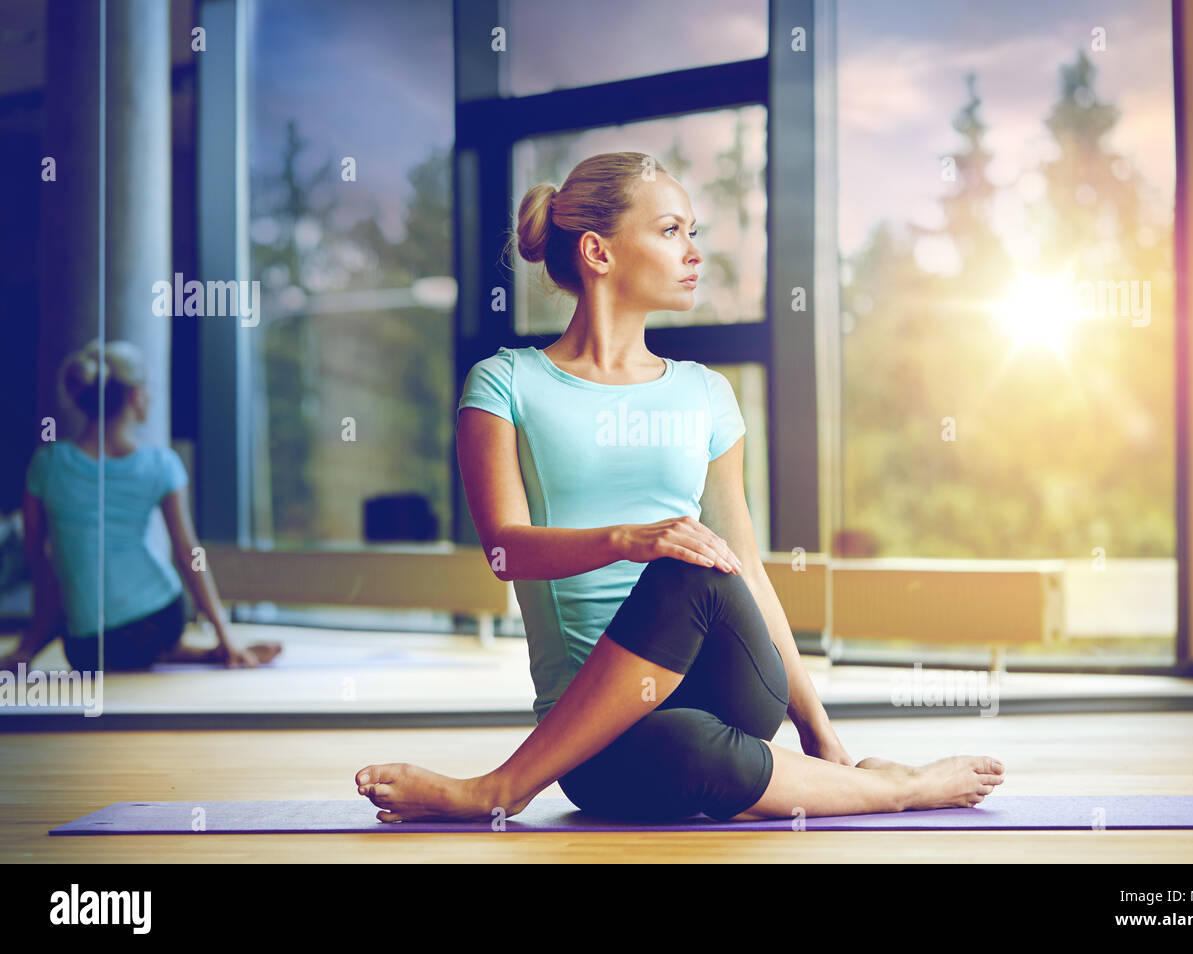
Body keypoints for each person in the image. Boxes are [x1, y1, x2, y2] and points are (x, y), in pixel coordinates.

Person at [355, 152, 1004, 822]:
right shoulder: (507, 384)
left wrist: (822, 735)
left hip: (724, 680)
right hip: (587, 740)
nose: (694, 253)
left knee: (695, 567)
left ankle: (497, 790)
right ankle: (871, 788)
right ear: (597, 252)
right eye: (671, 231)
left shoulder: (706, 394)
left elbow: (744, 568)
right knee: (693, 748)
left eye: (695, 232)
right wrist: (628, 539)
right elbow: (504, 552)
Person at [0, 340, 280, 673]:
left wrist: (28, 647)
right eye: (147, 389)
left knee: (84, 599)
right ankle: (203, 653)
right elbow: (189, 552)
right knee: (131, 631)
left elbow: (39, 560)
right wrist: (226, 636)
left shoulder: (46, 465)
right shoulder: (162, 464)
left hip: (87, 647)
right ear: (135, 396)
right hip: (161, 620)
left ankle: (196, 653)